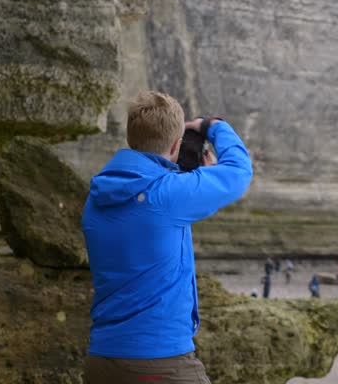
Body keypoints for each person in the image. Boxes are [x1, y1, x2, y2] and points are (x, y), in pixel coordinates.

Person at [82, 91, 253, 384]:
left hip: (101, 360)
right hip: (159, 362)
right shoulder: (169, 196)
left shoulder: (97, 198)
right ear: (176, 145)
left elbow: (146, 219)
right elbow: (239, 171)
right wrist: (212, 126)